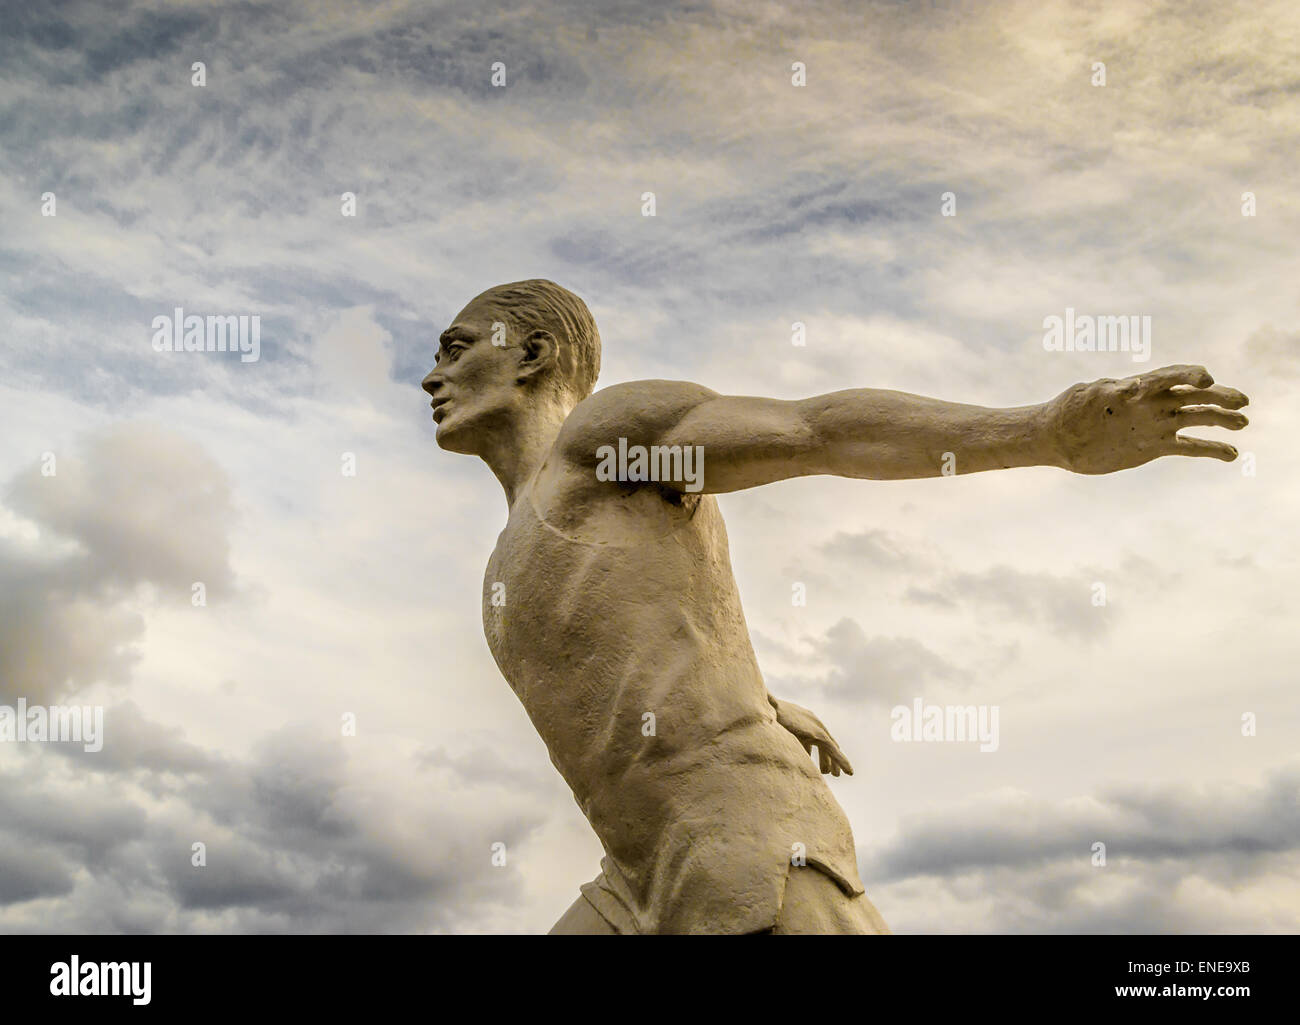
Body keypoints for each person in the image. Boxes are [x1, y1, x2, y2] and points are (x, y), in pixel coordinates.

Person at [421, 279, 1248, 934]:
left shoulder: (602, 444)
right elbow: (646, 632)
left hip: (742, 849)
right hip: (632, 883)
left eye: (455, 349)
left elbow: (814, 430)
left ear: (529, 353)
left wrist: (1043, 432)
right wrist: (766, 701)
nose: (433, 375)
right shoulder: (512, 553)